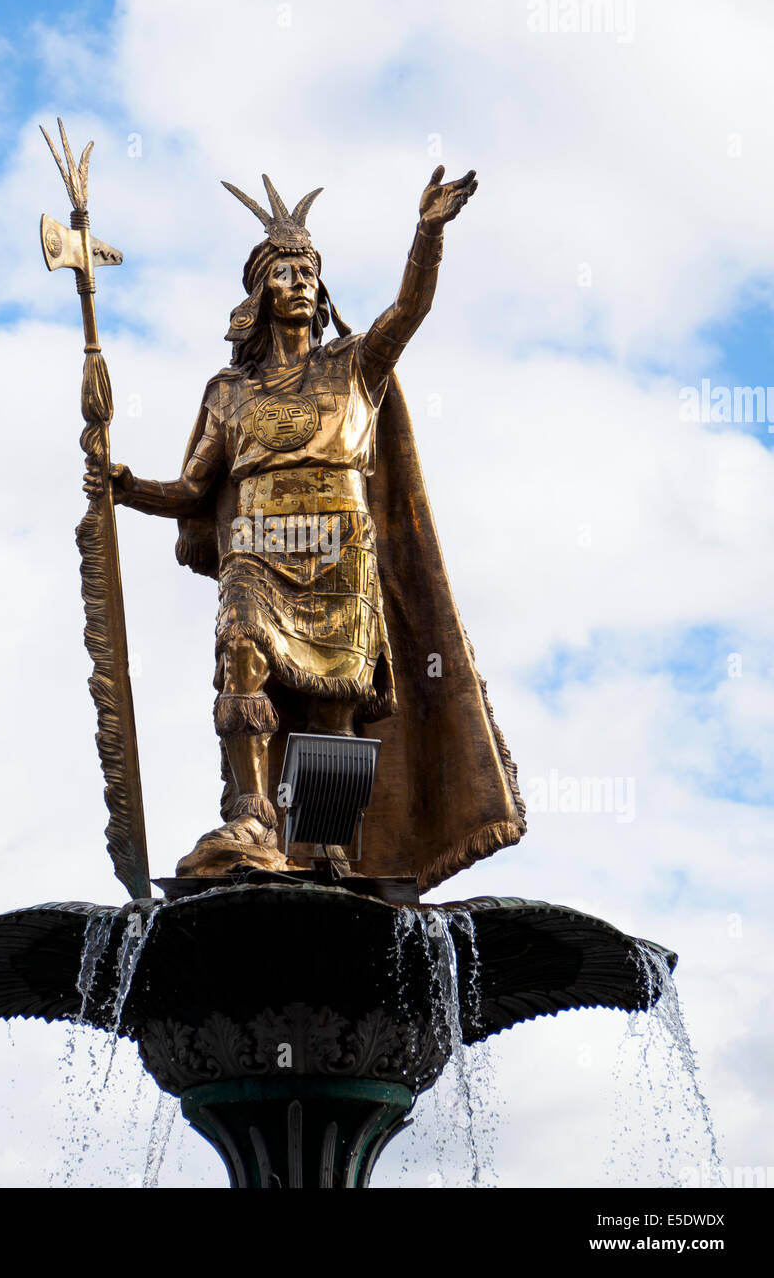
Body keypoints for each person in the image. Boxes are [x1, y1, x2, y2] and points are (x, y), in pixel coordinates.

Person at [107, 168, 526, 888]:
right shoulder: (229, 393)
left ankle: (325, 845)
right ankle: (252, 816)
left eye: (308, 271)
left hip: (340, 550)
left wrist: (427, 233)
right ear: (259, 293)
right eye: (283, 272)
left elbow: (409, 310)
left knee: (334, 711)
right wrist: (123, 489)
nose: (298, 282)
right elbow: (192, 490)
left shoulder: (356, 365)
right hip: (258, 549)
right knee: (239, 649)